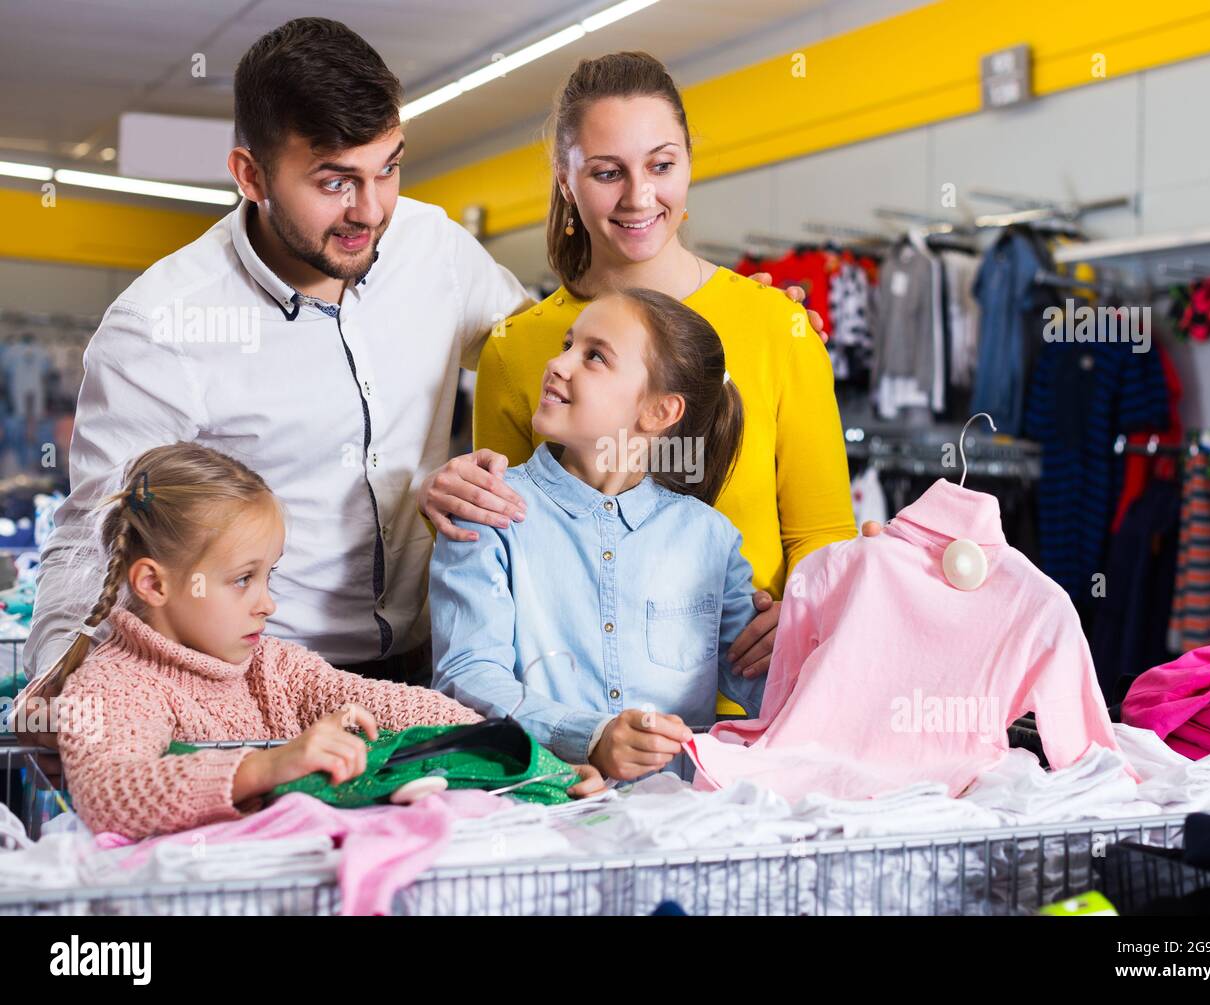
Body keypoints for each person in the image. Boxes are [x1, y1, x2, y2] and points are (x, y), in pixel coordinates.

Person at [25, 21, 820, 690]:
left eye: (389, 169)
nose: (369, 211)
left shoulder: (433, 248)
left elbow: (555, 337)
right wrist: (64, 692)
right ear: (249, 174)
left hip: (423, 666)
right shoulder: (162, 325)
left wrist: (734, 325)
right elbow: (97, 534)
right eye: (335, 181)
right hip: (252, 676)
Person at [425, 52, 858, 688]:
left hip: (759, 710)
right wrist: (448, 496)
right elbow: (504, 554)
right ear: (565, 179)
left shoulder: (779, 326)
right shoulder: (518, 350)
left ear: (689, 160)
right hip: (580, 736)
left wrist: (805, 614)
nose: (640, 196)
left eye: (661, 165)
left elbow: (826, 537)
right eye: (607, 172)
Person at [27, 442, 602, 840]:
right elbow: (112, 794)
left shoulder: (270, 666)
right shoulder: (112, 686)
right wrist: (270, 766)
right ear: (153, 583)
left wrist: (538, 764)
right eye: (241, 580)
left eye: (268, 576)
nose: (267, 602)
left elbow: (403, 707)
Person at [430, 289, 762, 780]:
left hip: (680, 823)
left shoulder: (711, 539)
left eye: (594, 356)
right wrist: (589, 737)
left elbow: (768, 683)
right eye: (567, 344)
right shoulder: (487, 507)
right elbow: (467, 675)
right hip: (538, 807)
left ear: (659, 412)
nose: (558, 363)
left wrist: (820, 618)